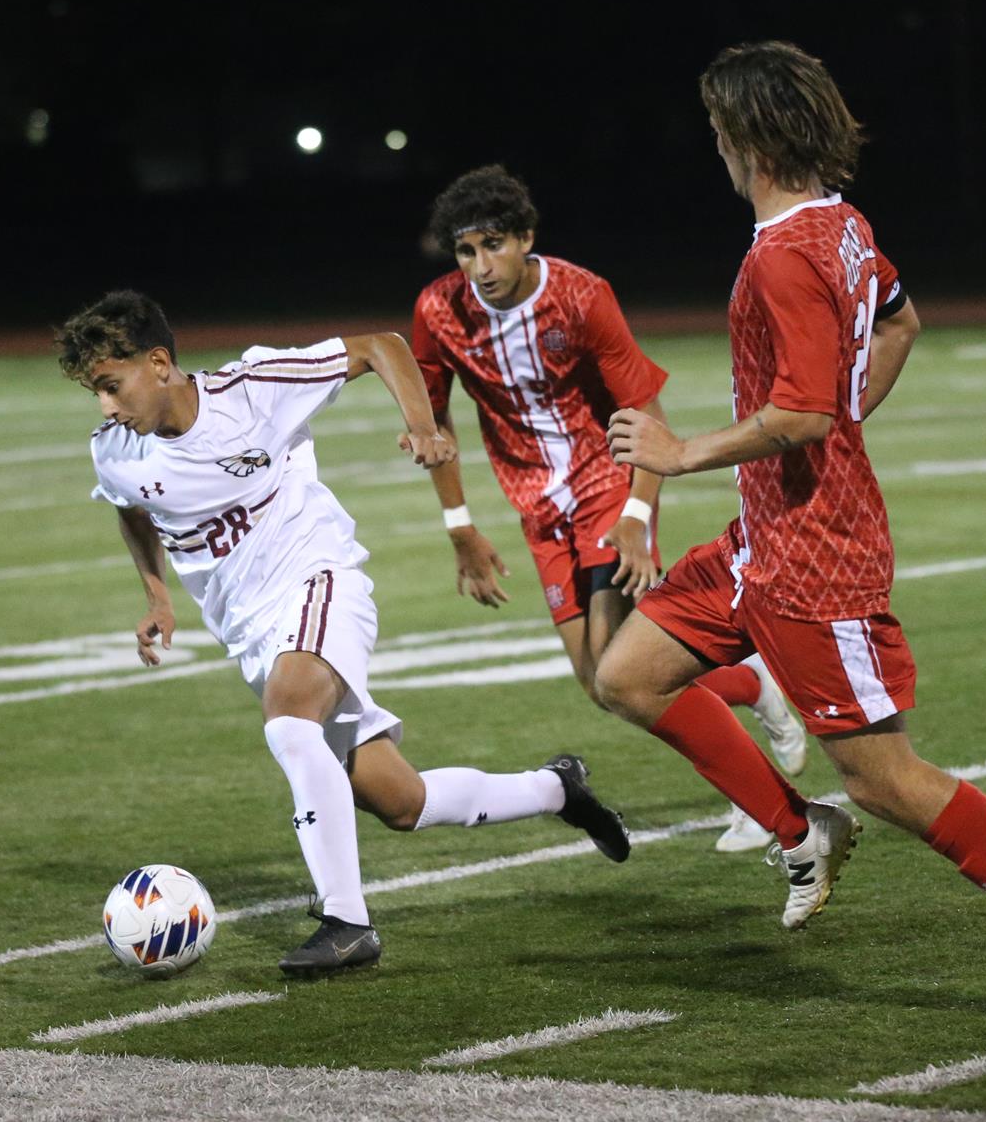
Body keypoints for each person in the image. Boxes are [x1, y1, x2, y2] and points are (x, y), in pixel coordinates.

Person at [597, 41, 986, 1029]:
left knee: (882, 776)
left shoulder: (782, 256)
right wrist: (837, 421)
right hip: (764, 532)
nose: (712, 146)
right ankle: (801, 833)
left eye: (718, 131)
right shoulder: (838, 227)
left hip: (813, 555)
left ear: (746, 139)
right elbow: (898, 326)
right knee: (628, 673)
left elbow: (801, 415)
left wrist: (677, 454)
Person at [58, 290, 630, 978]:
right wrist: (158, 596)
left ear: (157, 364)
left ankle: (347, 922)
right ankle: (556, 788)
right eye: (96, 391)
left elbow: (380, 345)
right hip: (252, 632)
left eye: (110, 386)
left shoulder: (254, 388)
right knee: (401, 800)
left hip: (319, 578)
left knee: (290, 719)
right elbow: (134, 510)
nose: (106, 407)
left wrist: (423, 426)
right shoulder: (115, 450)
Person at [410, 165, 808, 854]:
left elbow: (646, 410)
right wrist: (460, 528)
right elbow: (431, 422)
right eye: (466, 251)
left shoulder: (581, 296)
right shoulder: (439, 312)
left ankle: (755, 799)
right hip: (538, 505)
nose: (479, 265)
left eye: (494, 245)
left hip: (607, 484)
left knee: (626, 669)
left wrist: (635, 513)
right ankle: (752, 684)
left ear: (527, 238)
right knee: (600, 681)